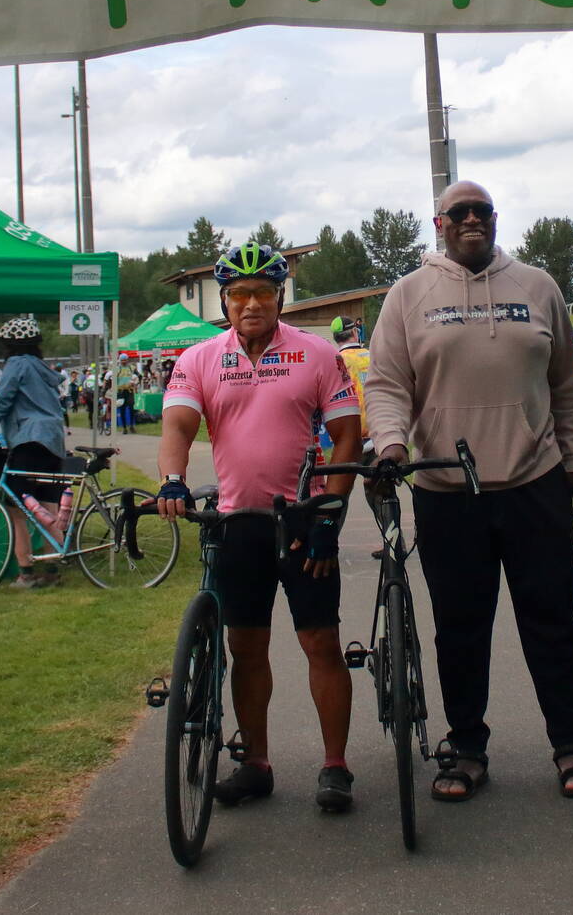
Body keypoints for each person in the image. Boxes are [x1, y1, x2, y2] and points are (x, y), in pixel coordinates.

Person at [365, 180, 573, 802]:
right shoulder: (409, 294)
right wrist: (391, 443)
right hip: (446, 487)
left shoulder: (538, 286)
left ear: (495, 220)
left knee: (551, 621)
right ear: (438, 223)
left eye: (483, 212)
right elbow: (386, 383)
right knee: (460, 627)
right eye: (459, 213)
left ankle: (571, 745)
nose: (472, 220)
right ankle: (467, 748)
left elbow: (569, 389)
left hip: (535, 482)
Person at [156, 242, 364, 812]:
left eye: (263, 293)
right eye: (239, 294)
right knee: (246, 649)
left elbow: (348, 436)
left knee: (319, 642)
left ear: (279, 298)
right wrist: (172, 479)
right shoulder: (199, 358)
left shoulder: (317, 354)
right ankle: (256, 763)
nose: (251, 304)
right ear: (223, 301)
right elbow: (177, 425)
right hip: (238, 520)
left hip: (302, 519)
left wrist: (331, 512)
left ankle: (335, 766)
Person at [0, 316, 69, 589]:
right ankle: (52, 571)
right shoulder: (43, 369)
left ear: (8, 345)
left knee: (17, 508)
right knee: (48, 506)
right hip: (53, 442)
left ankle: (26, 574)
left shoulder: (16, 365)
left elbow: (1, 404)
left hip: (29, 439)